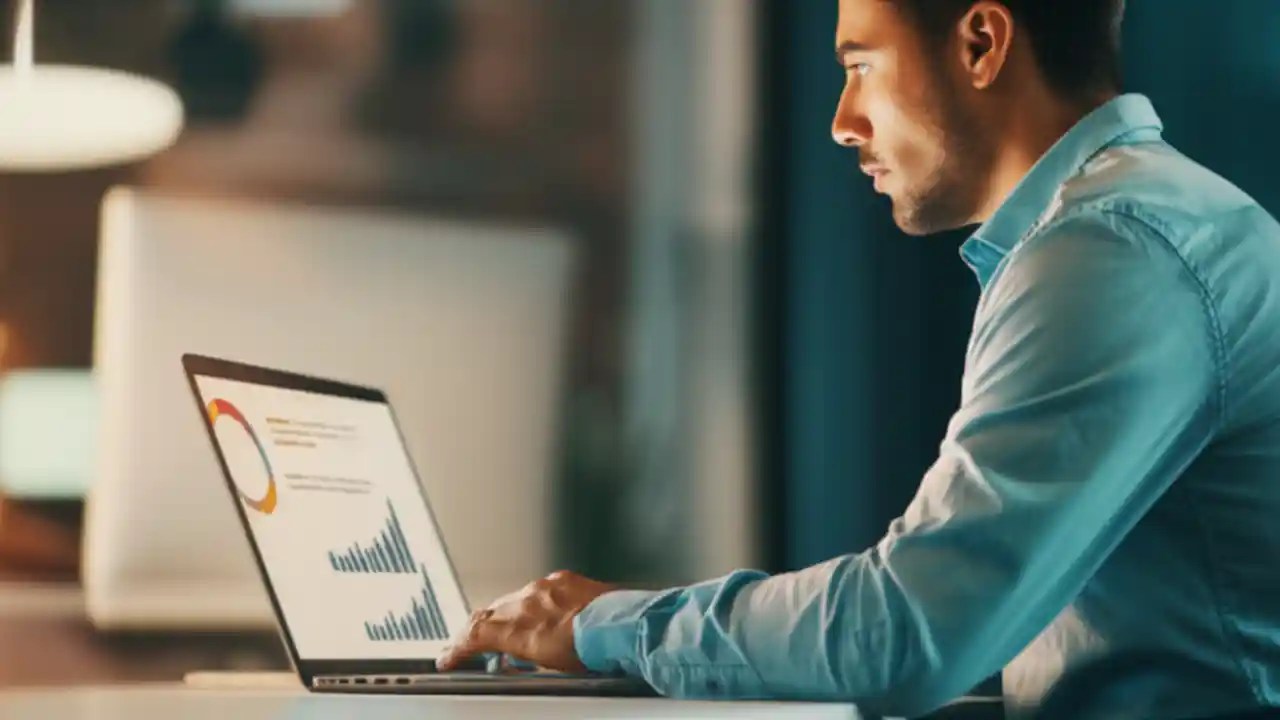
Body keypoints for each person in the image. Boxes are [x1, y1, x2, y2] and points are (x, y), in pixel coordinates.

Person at [438, 1, 1280, 717]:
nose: (843, 121)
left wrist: (603, 625)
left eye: (863, 64)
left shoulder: (1111, 250)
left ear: (981, 44)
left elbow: (909, 629)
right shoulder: (1147, 223)